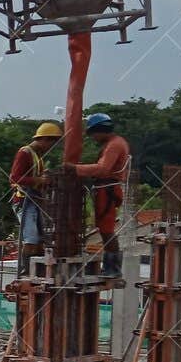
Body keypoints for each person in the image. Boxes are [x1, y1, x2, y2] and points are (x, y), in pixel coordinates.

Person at [73, 112, 131, 278]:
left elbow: (102, 169)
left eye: (93, 134)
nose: (94, 138)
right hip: (106, 188)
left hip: (108, 189)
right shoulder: (115, 143)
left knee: (106, 229)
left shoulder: (114, 145)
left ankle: (113, 268)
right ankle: (110, 267)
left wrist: (75, 169)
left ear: (100, 130)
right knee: (104, 227)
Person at [10, 121, 61, 278]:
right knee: (31, 238)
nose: (51, 147)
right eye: (52, 143)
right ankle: (26, 271)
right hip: (24, 201)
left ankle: (36, 271)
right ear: (45, 139)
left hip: (34, 201)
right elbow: (15, 177)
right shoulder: (25, 152)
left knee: (40, 239)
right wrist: (39, 181)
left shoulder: (37, 155)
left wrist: (43, 176)